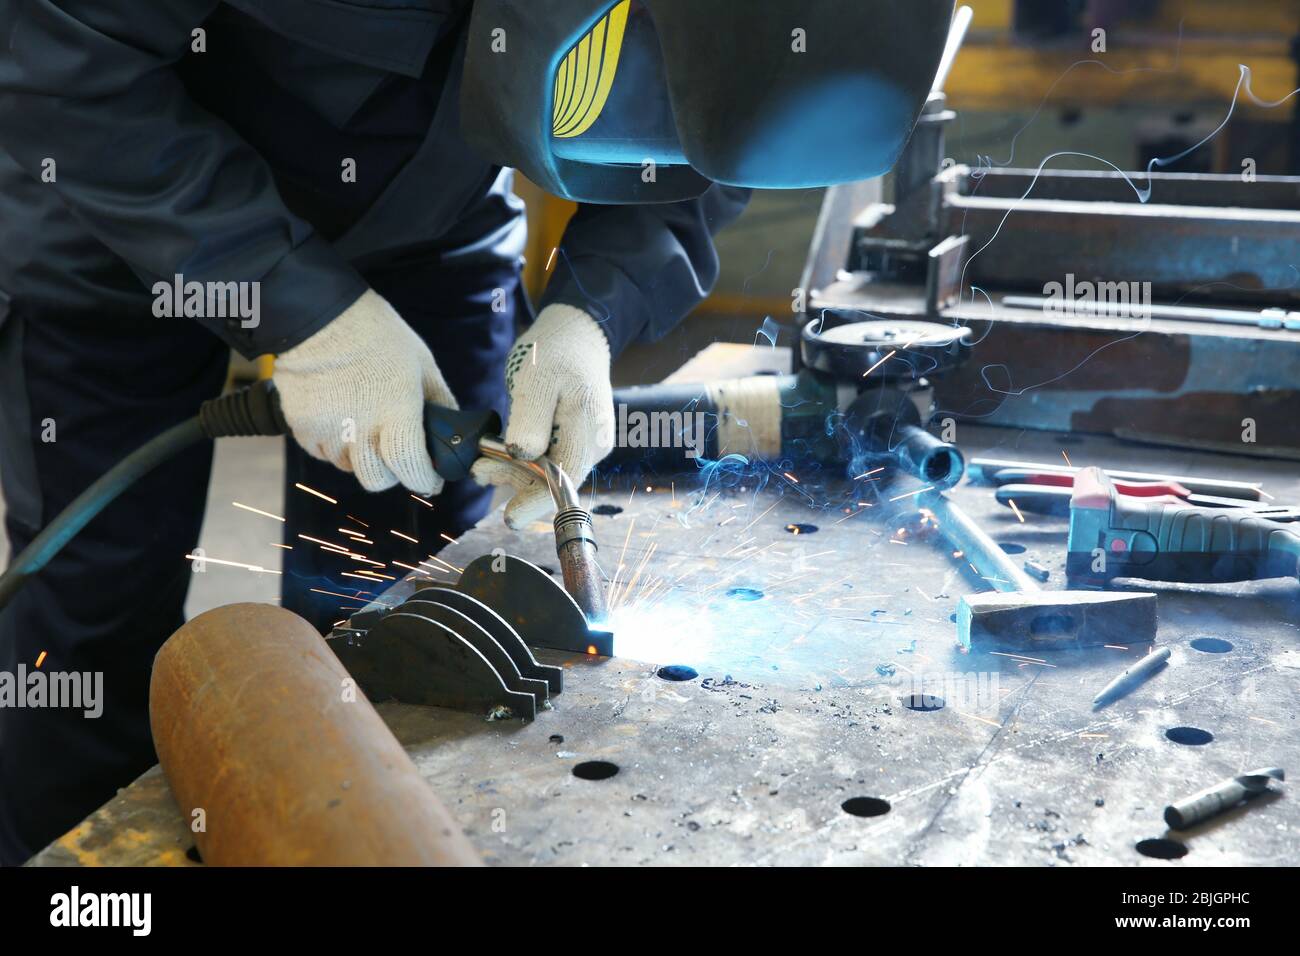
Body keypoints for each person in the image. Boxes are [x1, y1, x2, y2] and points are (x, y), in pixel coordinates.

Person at [0, 0, 950, 863]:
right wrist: (301, 307)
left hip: (426, 220)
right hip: (125, 215)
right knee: (91, 629)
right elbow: (61, 56)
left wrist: (594, 309)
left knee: (399, 608)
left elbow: (721, 127)